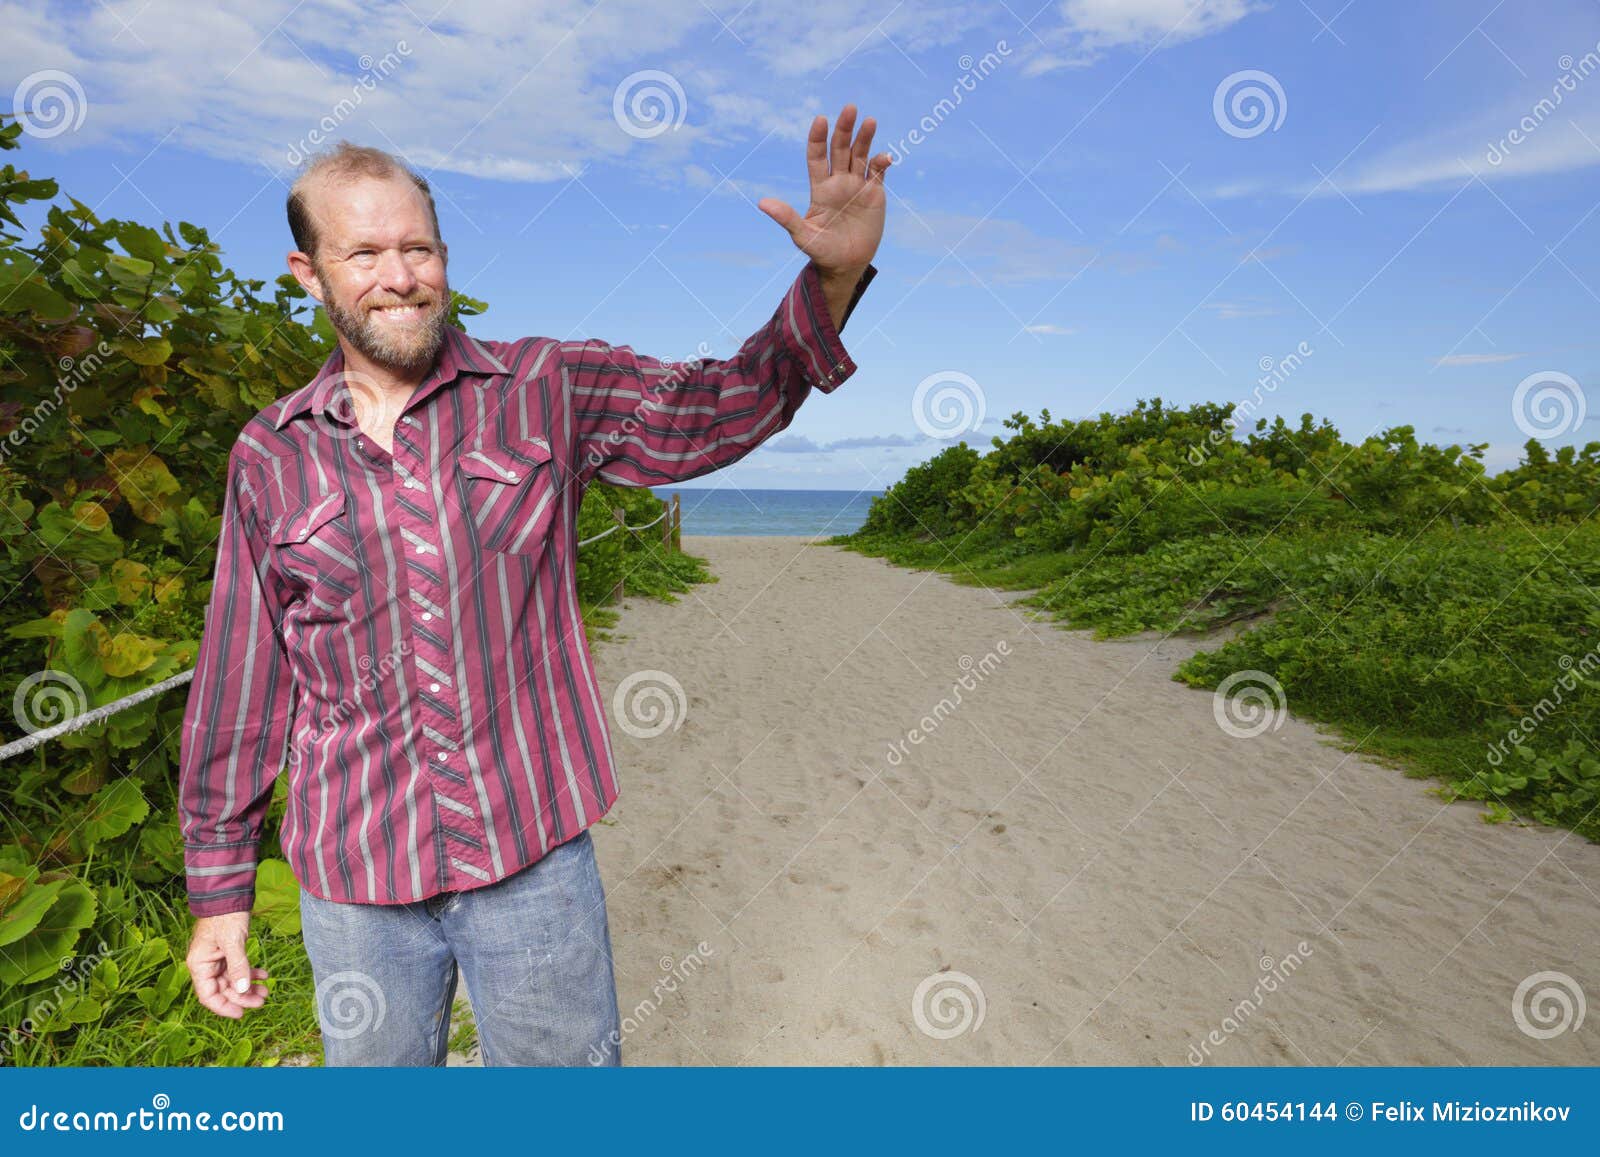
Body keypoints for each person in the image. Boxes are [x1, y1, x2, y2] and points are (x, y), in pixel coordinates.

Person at [178, 105, 889, 1065]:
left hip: (531, 856)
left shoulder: (544, 387)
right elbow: (241, 683)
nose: (399, 276)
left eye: (418, 248)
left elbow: (722, 404)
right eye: (364, 254)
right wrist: (220, 892)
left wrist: (832, 279)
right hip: (354, 878)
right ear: (310, 273)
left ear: (443, 255)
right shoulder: (270, 455)